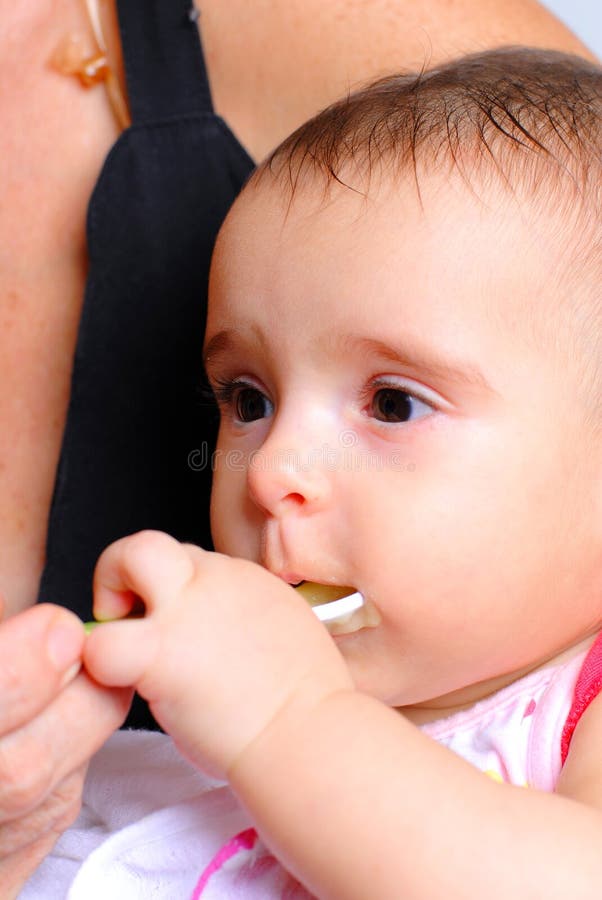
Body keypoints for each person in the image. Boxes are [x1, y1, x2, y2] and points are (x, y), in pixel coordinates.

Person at [0, 0, 596, 896]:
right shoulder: (187, 737)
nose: (271, 470)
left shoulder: (575, 712)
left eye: (392, 403)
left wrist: (285, 719)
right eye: (249, 401)